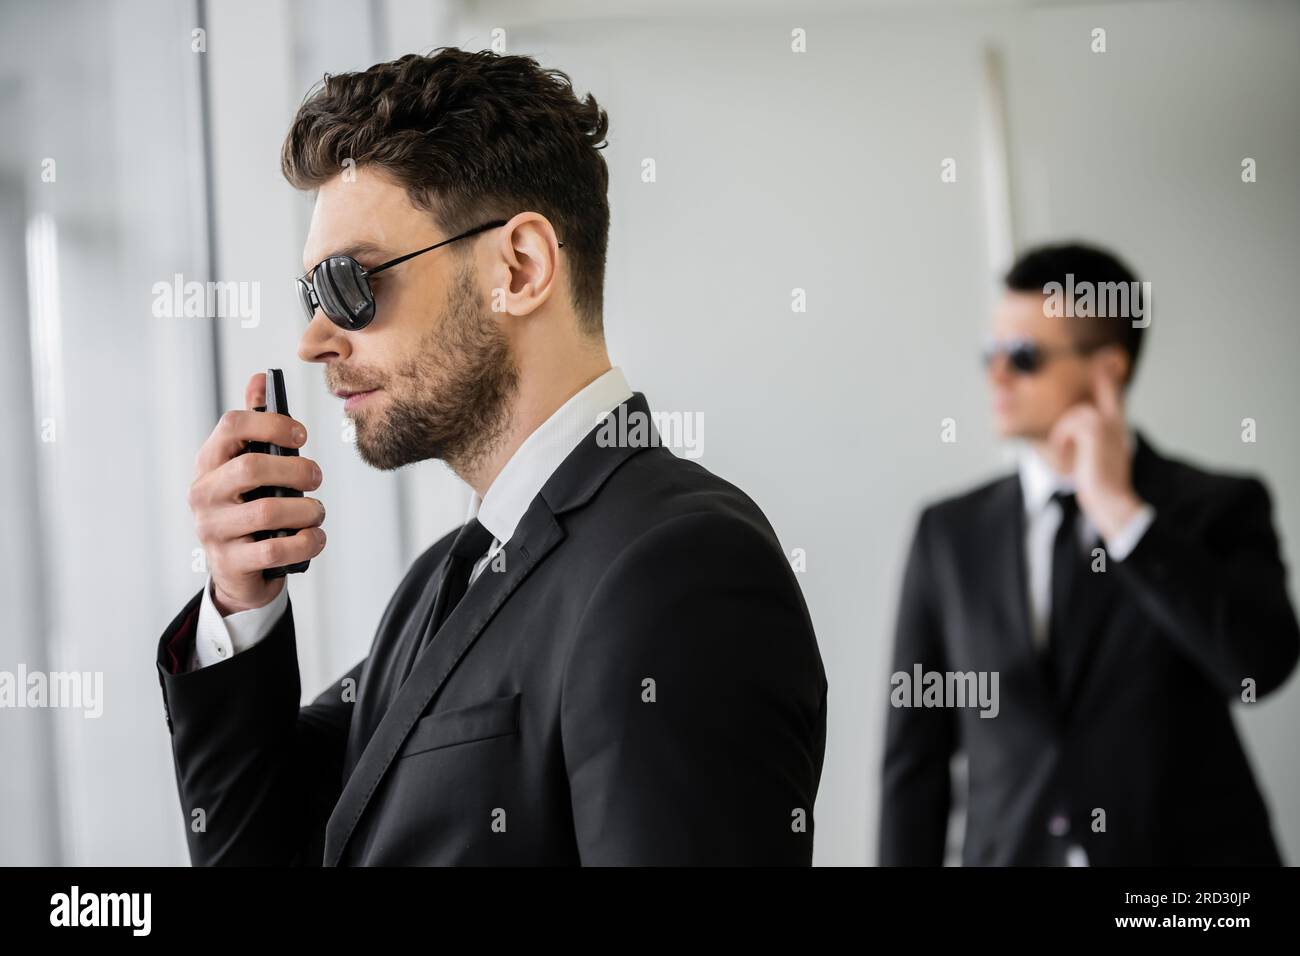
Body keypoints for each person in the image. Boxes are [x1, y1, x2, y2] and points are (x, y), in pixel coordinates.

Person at [156, 49, 827, 866]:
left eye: (349, 283)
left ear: (520, 266)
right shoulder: (442, 580)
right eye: (311, 295)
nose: (315, 339)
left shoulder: (684, 567)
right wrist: (239, 600)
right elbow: (265, 847)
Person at [880, 242, 1299, 865]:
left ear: (1108, 369)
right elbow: (915, 758)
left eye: (1022, 357)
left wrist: (1123, 516)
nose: (996, 375)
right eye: (990, 354)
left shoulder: (1217, 505)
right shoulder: (949, 533)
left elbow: (1258, 668)